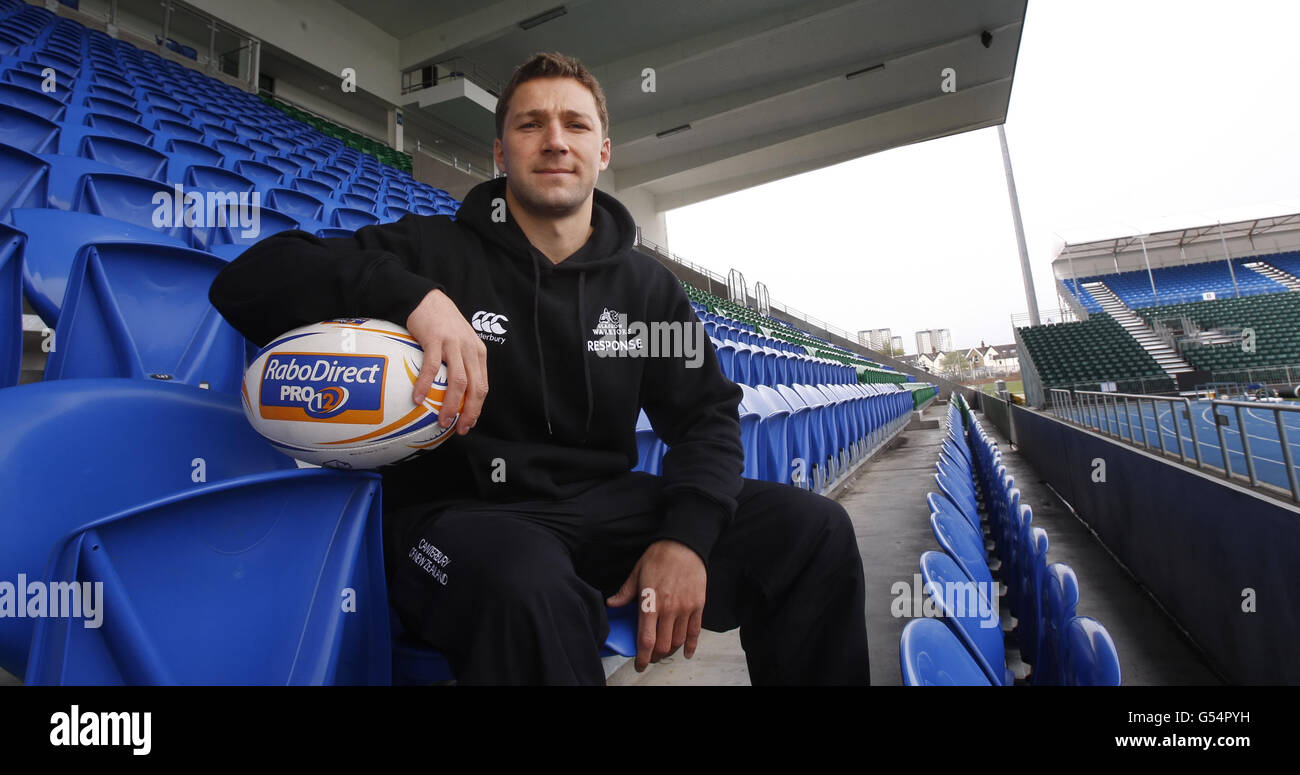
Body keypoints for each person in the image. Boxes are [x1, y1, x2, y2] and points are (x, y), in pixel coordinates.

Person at [209, 51, 868, 685]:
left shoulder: (645, 289)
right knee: (528, 590)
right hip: (453, 521)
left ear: (603, 151)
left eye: (576, 124)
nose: (555, 141)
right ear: (500, 153)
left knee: (811, 533)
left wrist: (686, 538)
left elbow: (707, 417)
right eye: (531, 124)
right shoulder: (431, 250)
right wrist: (411, 296)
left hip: (603, 509)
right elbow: (246, 283)